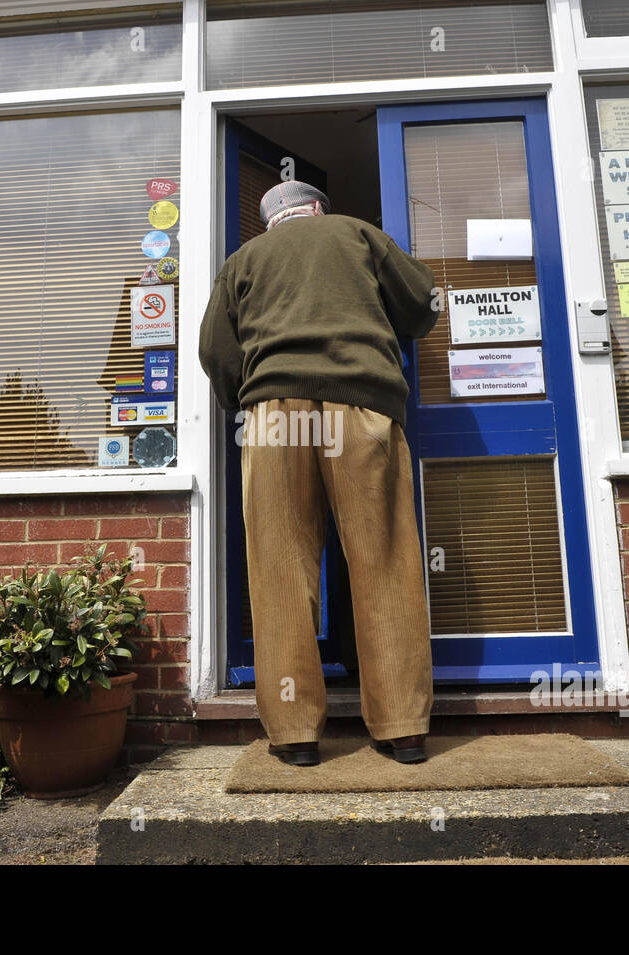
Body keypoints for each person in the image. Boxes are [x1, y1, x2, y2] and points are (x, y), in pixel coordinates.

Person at [199, 180, 439, 766]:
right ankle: (402, 728)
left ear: (272, 221)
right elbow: (421, 306)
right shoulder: (360, 234)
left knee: (281, 564)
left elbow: (215, 350)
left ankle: (295, 733)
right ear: (317, 209)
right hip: (361, 404)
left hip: (276, 415)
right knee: (385, 561)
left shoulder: (242, 260)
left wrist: (250, 399)